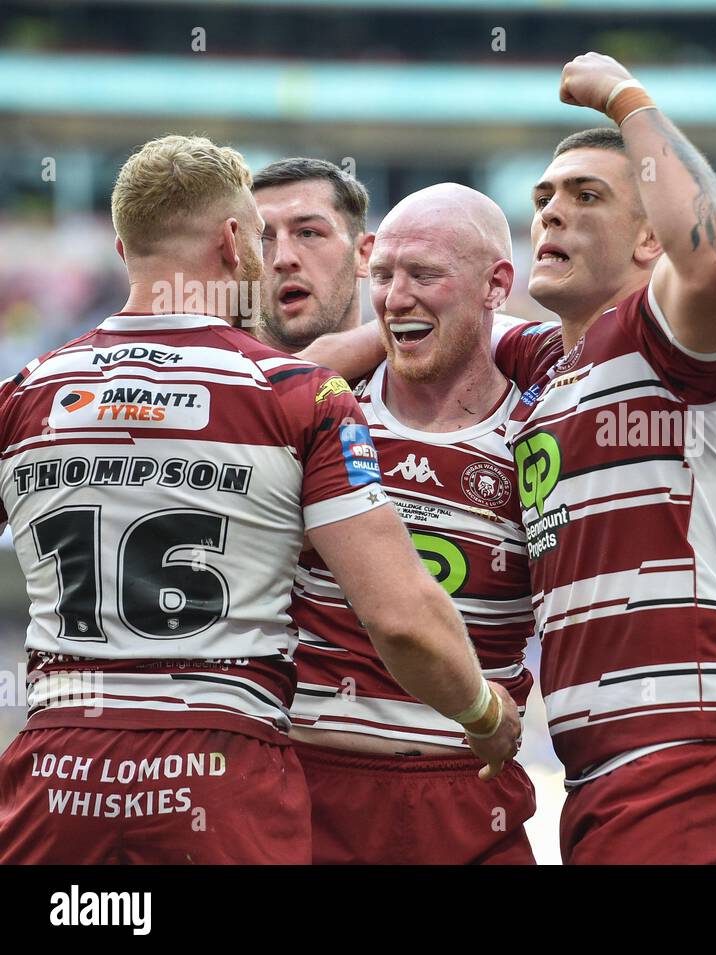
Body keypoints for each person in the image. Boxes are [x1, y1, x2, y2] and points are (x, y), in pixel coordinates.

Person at [0, 135, 519, 864]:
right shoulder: (298, 396)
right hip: (217, 769)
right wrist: (484, 712)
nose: (275, 258)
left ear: (123, 249)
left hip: (57, 773)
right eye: (262, 234)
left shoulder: (26, 393)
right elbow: (401, 616)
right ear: (231, 240)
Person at [512, 53, 716, 864]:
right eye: (544, 198)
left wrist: (626, 101)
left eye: (586, 196)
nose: (552, 213)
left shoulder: (661, 336)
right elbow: (429, 326)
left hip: (684, 765)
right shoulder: (543, 364)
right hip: (598, 779)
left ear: (650, 240)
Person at [286, 183, 547, 863]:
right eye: (383, 275)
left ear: (496, 285)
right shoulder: (322, 408)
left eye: (425, 275)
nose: (396, 297)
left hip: (468, 791)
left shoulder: (543, 431)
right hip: (312, 790)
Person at [253, 158, 374, 352]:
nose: (283, 259)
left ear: (362, 253)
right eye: (262, 240)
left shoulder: (413, 367)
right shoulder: (208, 368)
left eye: (308, 233)